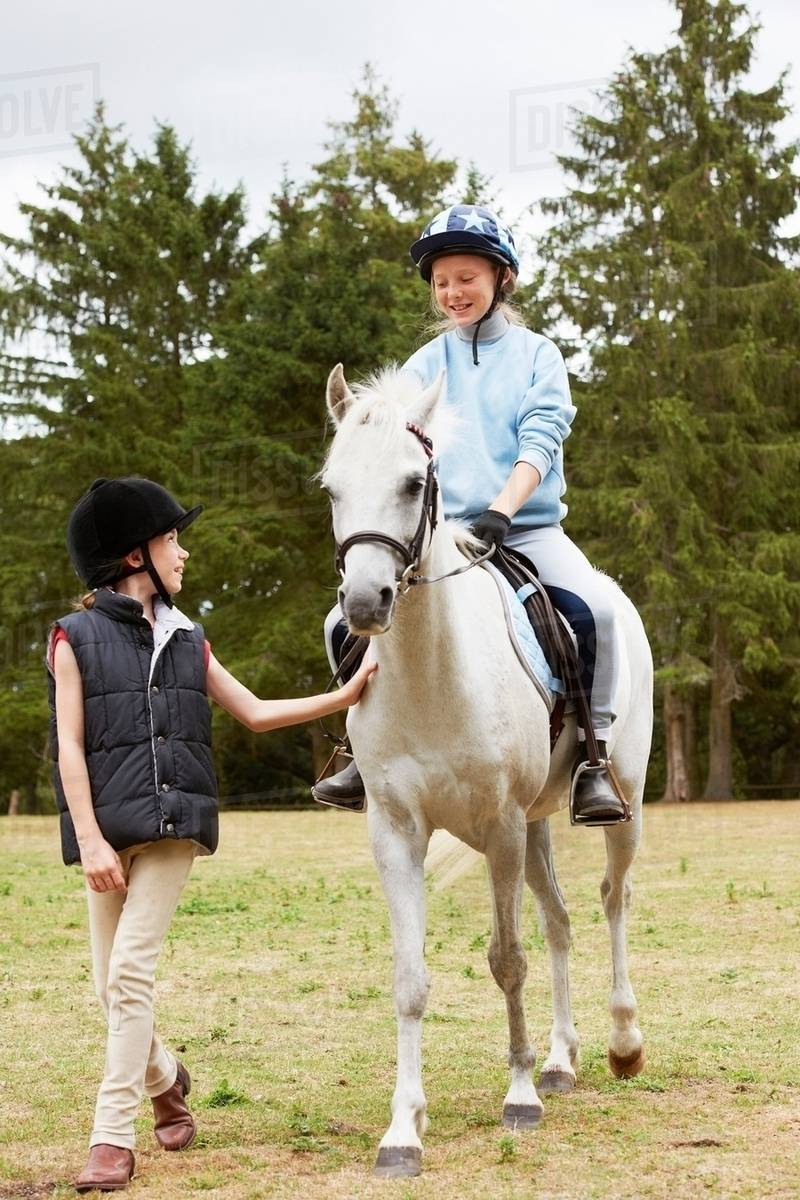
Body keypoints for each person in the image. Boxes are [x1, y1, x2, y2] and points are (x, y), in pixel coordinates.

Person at [48, 476, 376, 1193]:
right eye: (172, 539)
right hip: (105, 830)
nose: (184, 552)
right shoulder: (72, 639)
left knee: (130, 973)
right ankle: (166, 1080)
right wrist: (92, 841)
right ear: (135, 555)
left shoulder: (188, 637)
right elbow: (69, 748)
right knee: (110, 990)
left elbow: (254, 712)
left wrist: (345, 697)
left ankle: (111, 1138)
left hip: (172, 826)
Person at [312, 202, 625, 824]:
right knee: (338, 625)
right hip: (440, 537)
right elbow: (395, 454)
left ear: (500, 278)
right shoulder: (423, 366)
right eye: (442, 282)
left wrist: (502, 512)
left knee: (600, 611)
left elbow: (541, 441)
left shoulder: (539, 355)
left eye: (466, 278)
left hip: (527, 527)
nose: (453, 292)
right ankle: (358, 747)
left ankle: (594, 758)